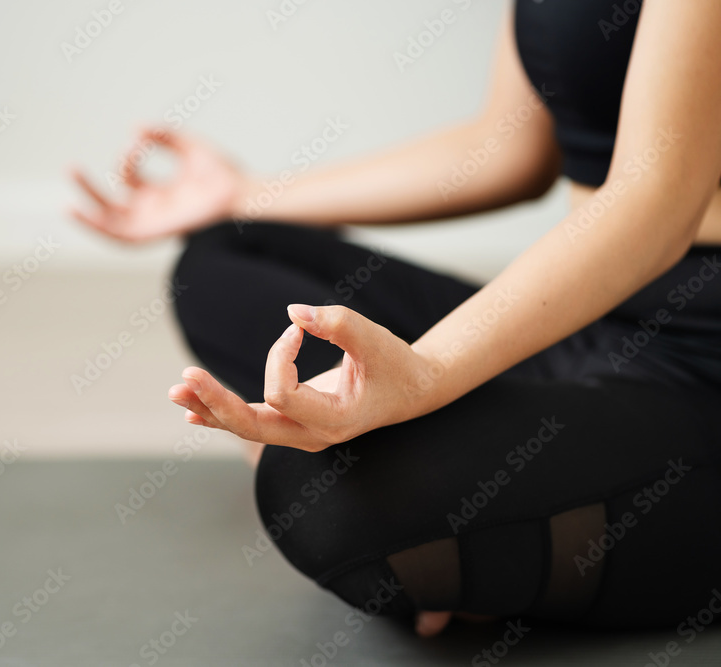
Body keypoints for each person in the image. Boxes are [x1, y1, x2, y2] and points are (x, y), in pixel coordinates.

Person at [69, 0, 721, 638]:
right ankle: (428, 494)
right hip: (587, 314)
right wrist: (242, 195)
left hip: (704, 364)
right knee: (227, 251)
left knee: (317, 497)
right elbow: (505, 149)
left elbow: (655, 198)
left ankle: (437, 506)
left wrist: (429, 372)